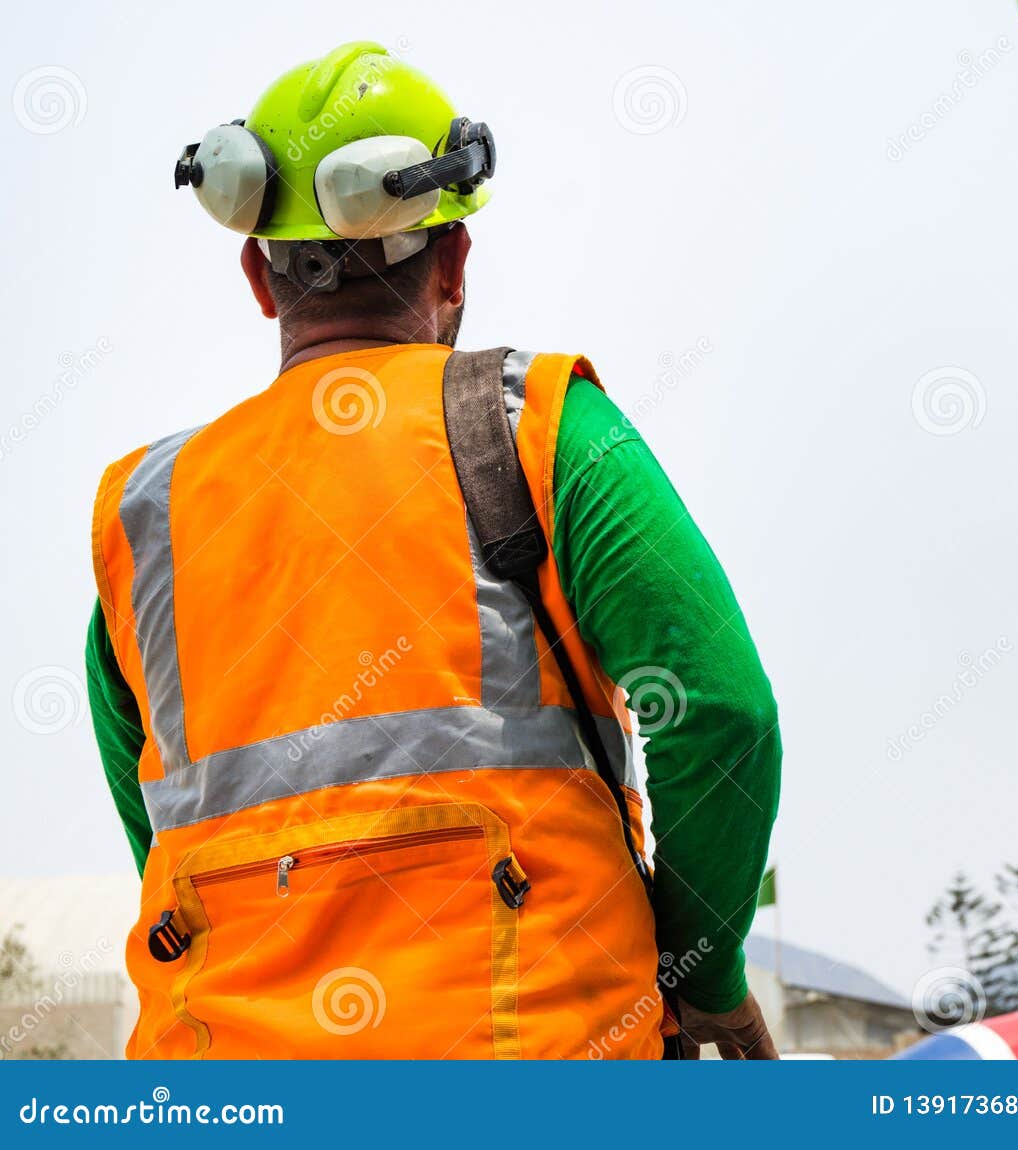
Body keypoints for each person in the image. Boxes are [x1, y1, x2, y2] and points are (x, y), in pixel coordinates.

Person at [84, 41, 780, 1060]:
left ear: (258, 276)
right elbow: (720, 712)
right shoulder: (542, 431)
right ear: (453, 263)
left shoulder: (143, 512)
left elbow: (159, 816)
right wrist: (704, 974)